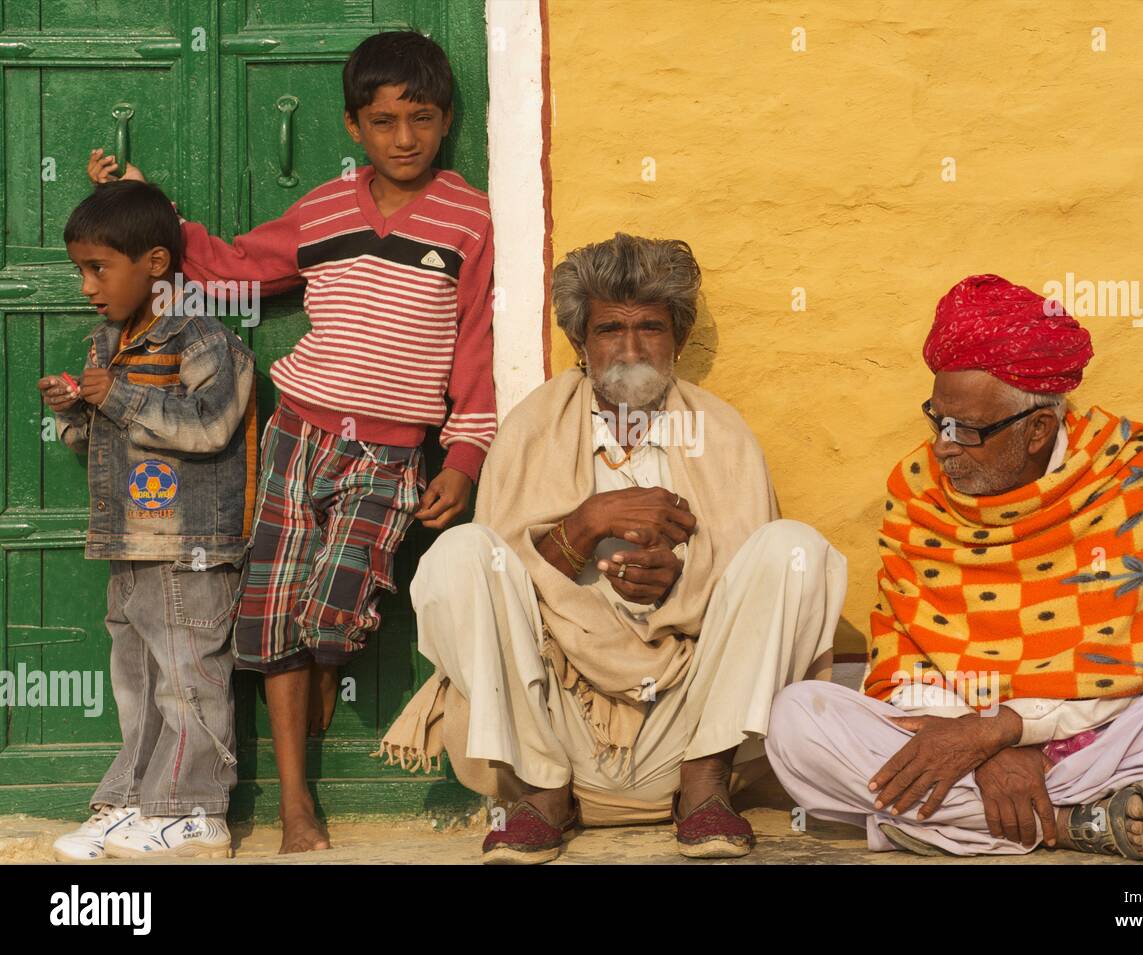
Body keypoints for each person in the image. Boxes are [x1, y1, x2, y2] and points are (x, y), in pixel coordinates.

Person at [87, 30, 497, 853]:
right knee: (272, 615)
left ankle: (318, 666)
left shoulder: (469, 219)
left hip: (388, 453)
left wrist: (464, 454)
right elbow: (235, 264)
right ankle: (297, 808)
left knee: (334, 616)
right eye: (384, 121)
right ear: (354, 128)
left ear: (447, 121)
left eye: (422, 119)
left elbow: (477, 341)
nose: (405, 138)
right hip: (297, 431)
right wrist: (148, 203)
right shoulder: (325, 208)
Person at [765, 273, 1143, 859]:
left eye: (967, 430)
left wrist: (1012, 733)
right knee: (796, 720)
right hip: (960, 733)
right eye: (936, 420)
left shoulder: (1119, 474)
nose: (943, 445)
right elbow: (910, 656)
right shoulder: (917, 488)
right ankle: (1080, 823)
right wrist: (975, 743)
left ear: (1038, 428)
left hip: (1103, 732)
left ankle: (944, 824)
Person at [379, 233, 848, 863]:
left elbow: (747, 590)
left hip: (691, 717)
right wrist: (585, 524)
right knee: (457, 555)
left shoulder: (722, 432)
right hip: (553, 718)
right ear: (580, 342)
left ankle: (706, 788)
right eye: (609, 331)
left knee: (796, 549)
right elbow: (502, 588)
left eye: (650, 328)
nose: (630, 350)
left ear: (678, 338)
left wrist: (679, 584)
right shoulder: (533, 429)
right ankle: (541, 794)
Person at [45, 180, 256, 860]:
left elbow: (212, 426)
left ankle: (196, 810)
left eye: (98, 268)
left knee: (189, 676)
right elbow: (94, 449)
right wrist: (75, 410)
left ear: (157, 264)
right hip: (128, 538)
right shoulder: (103, 345)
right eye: (82, 269)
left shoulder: (203, 339)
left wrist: (123, 397)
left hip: (190, 546)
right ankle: (135, 799)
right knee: (136, 680)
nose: (86, 286)